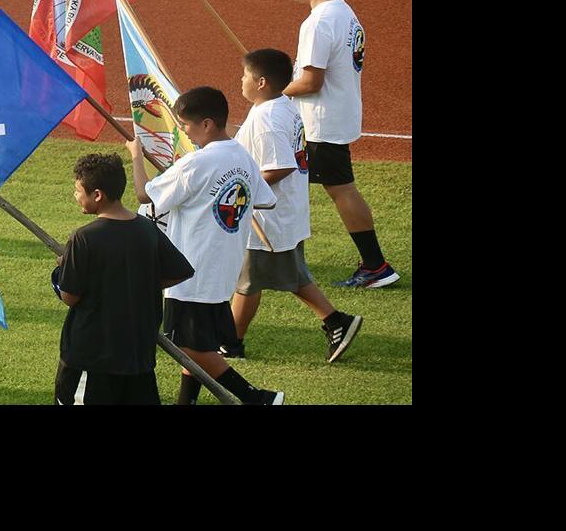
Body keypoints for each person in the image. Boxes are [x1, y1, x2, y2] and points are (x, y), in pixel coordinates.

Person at [128, 86, 283, 405]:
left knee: (191, 349)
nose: (183, 130)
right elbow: (264, 201)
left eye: (185, 124)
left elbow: (145, 195)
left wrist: (136, 157)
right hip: (222, 268)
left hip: (191, 272)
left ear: (207, 124)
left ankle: (257, 398)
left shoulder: (197, 163)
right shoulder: (241, 154)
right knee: (198, 344)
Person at [226, 48, 363, 363]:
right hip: (284, 213)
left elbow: (279, 166)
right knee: (289, 276)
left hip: (268, 216)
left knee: (248, 280)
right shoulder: (280, 106)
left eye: (245, 76)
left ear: (261, 82)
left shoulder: (266, 118)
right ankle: (335, 321)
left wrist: (241, 189)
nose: (241, 80)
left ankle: (231, 344)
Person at [283, 0, 399, 288]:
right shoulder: (345, 12)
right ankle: (287, 259)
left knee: (336, 188)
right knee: (299, 185)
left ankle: (376, 266)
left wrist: (275, 90)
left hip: (319, 121)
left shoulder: (318, 22)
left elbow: (310, 82)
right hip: (337, 114)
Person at [52, 153, 194, 405]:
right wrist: (139, 283)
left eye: (78, 190)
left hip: (91, 358)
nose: (76, 196)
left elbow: (69, 296)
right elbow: (180, 270)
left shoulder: (83, 238)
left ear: (97, 195)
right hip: (138, 357)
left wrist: (61, 270)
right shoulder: (147, 229)